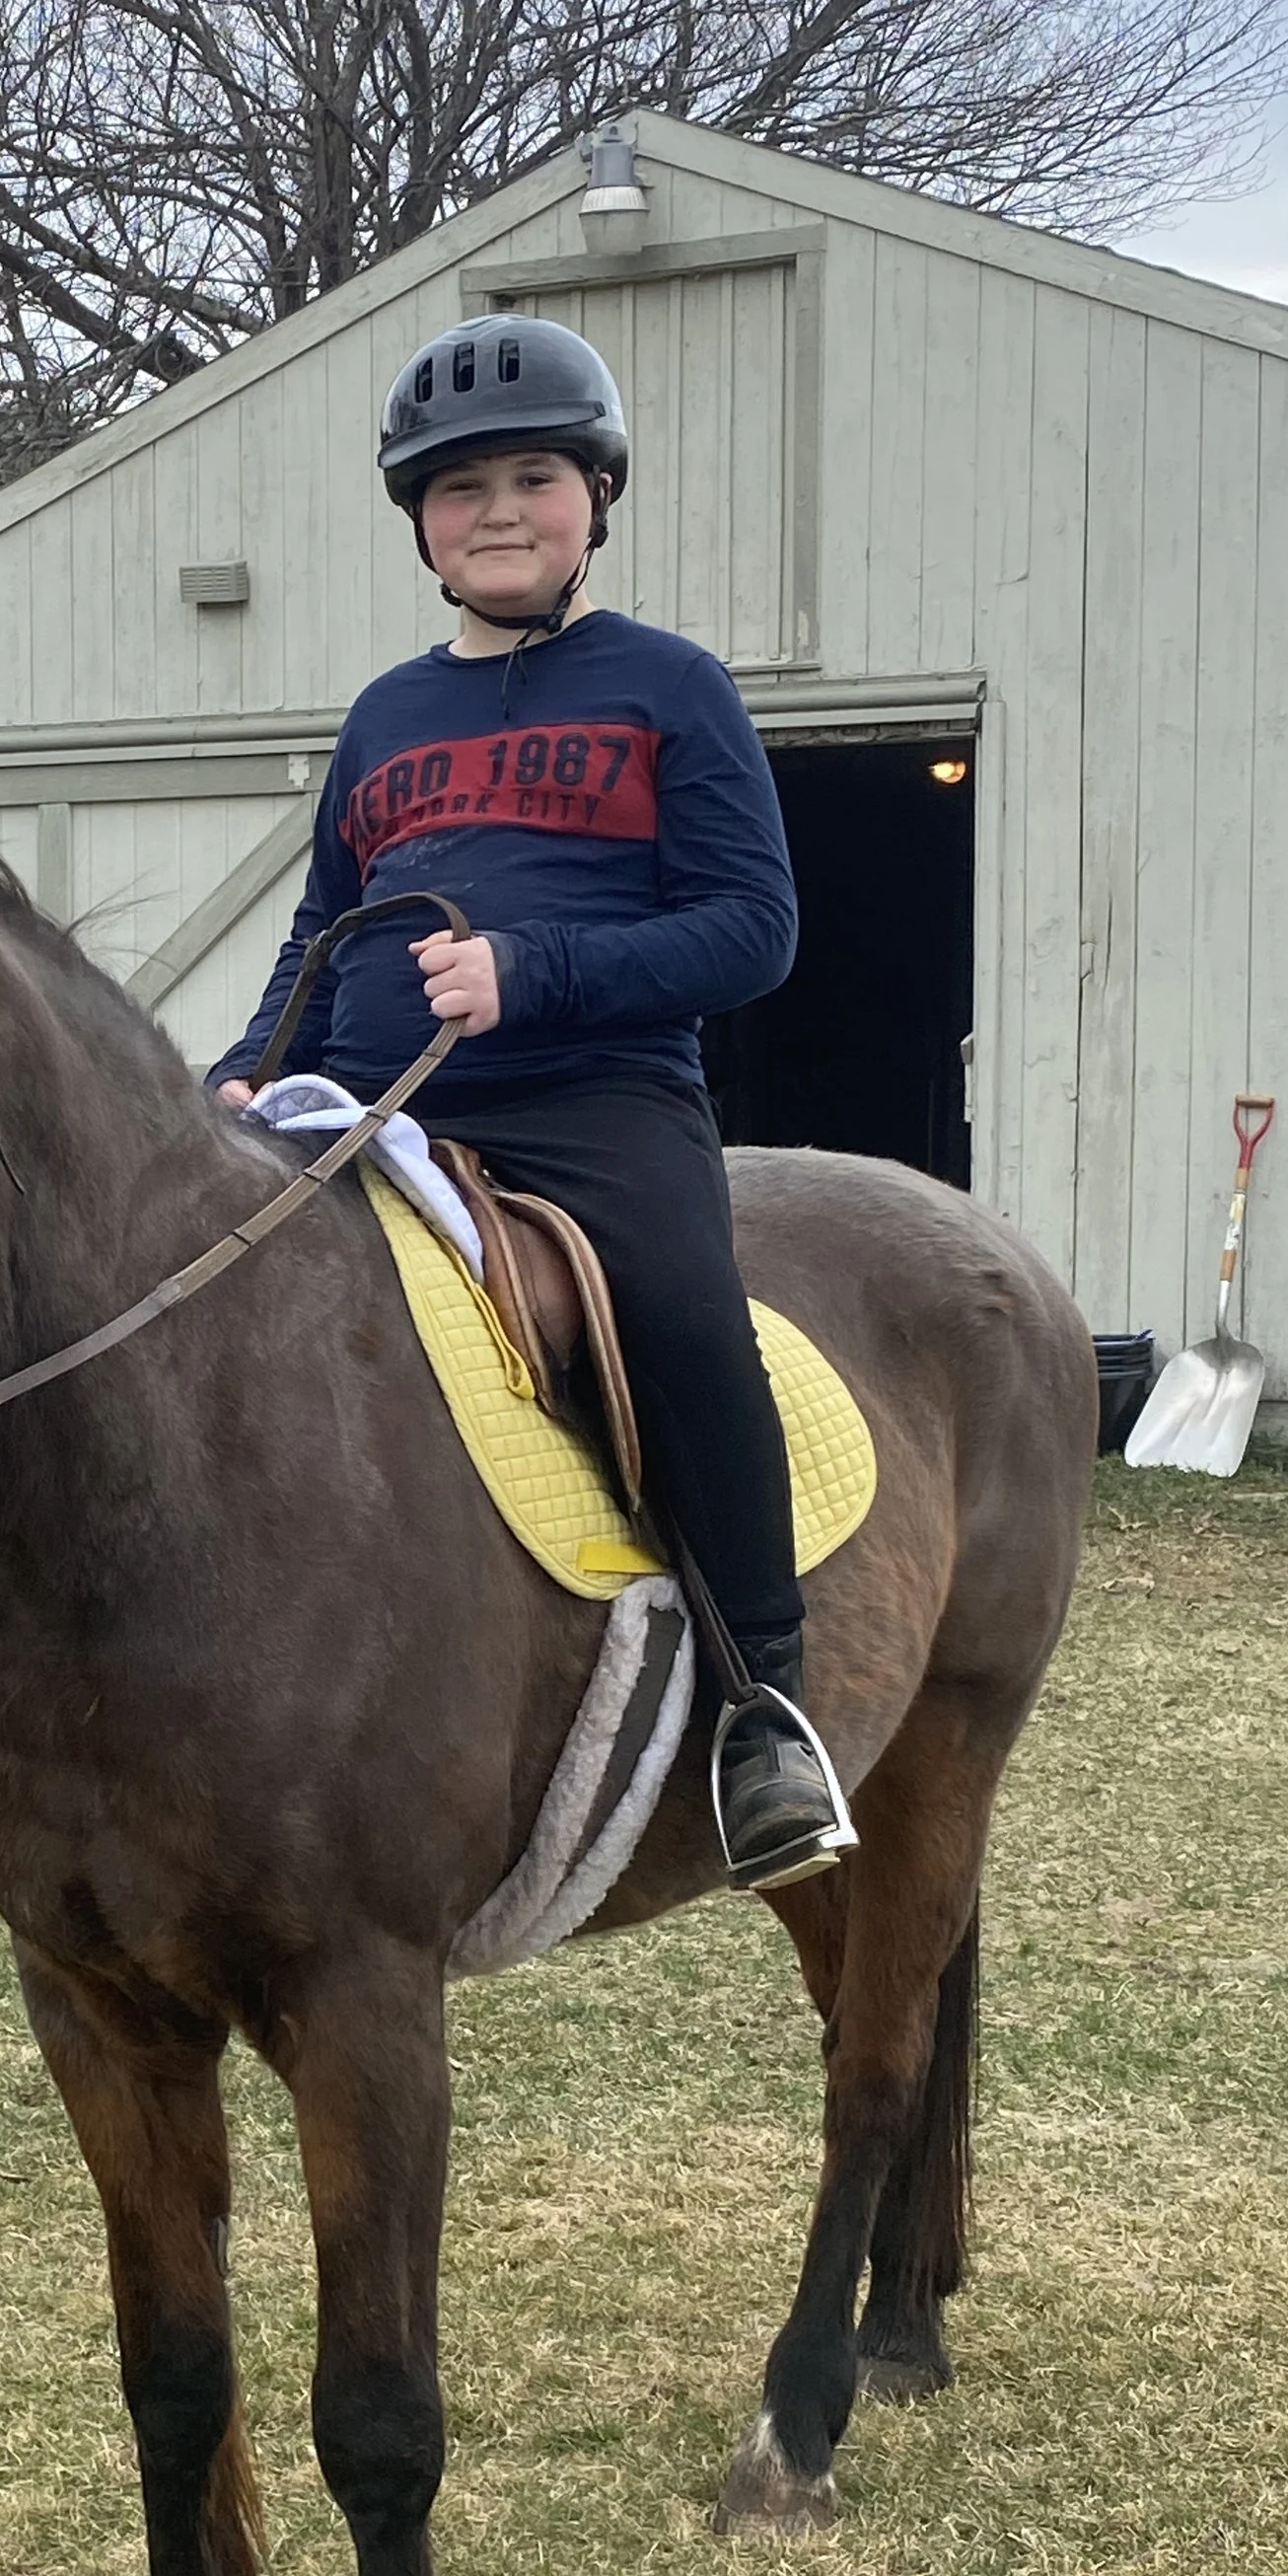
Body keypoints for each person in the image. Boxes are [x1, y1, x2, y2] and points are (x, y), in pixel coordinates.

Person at [209, 312, 849, 1891]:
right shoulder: (383, 716)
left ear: (597, 496)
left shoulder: (671, 688)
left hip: (592, 1098)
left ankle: (766, 1703)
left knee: (690, 1323)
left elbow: (754, 930)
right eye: (461, 487)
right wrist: (247, 1054)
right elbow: (322, 923)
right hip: (355, 1095)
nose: (498, 510)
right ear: (418, 521)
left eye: (533, 477)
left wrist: (533, 971)